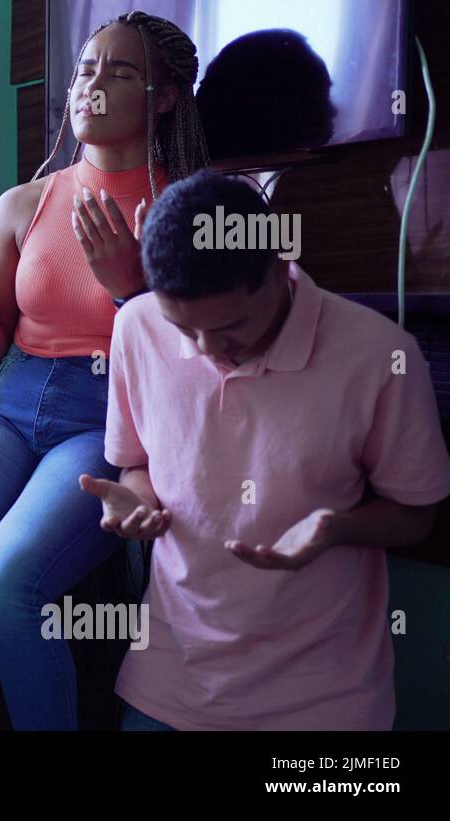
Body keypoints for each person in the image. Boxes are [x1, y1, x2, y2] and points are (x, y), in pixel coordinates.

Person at [0, 11, 210, 729]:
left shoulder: (190, 211)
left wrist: (132, 288)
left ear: (163, 97)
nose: (93, 85)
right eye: (85, 71)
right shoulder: (24, 204)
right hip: (6, 404)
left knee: (7, 582)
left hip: (106, 419)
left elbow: (206, 365)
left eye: (120, 72)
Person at [81, 170, 450, 730]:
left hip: (321, 701)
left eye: (229, 328)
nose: (207, 351)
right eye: (185, 328)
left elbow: (418, 515)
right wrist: (133, 500)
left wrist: (337, 528)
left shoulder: (380, 357)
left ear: (279, 270)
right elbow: (139, 464)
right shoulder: (137, 325)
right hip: (169, 682)